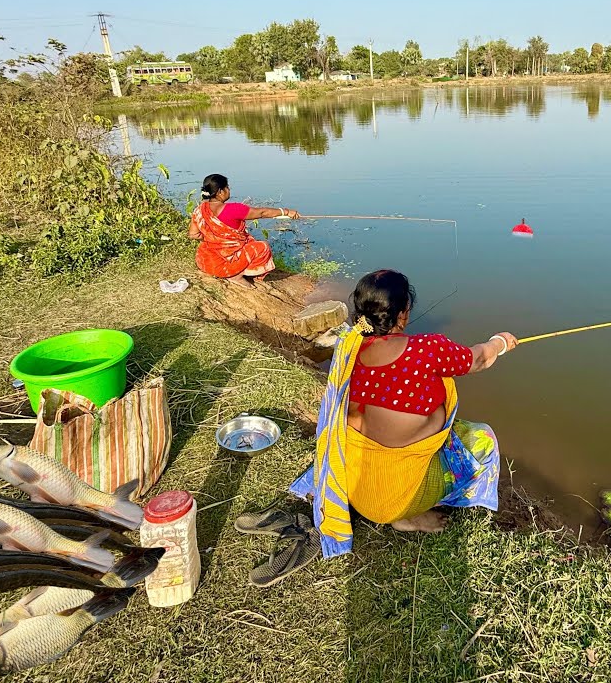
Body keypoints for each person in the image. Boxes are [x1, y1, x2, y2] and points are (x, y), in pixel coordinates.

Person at [291, 270, 518, 558]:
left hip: (351, 487)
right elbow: (479, 357)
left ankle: (401, 504)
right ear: (403, 314)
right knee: (482, 438)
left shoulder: (349, 348)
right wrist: (500, 341)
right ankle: (409, 515)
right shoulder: (427, 350)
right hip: (395, 502)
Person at [188, 173, 300, 286]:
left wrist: (214, 238)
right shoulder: (233, 209)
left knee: (214, 244)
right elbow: (262, 213)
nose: (229, 190)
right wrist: (286, 212)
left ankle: (234, 270)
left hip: (206, 263)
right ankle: (236, 274)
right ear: (220, 192)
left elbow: (193, 234)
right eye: (227, 187)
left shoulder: (199, 210)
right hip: (225, 266)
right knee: (262, 247)